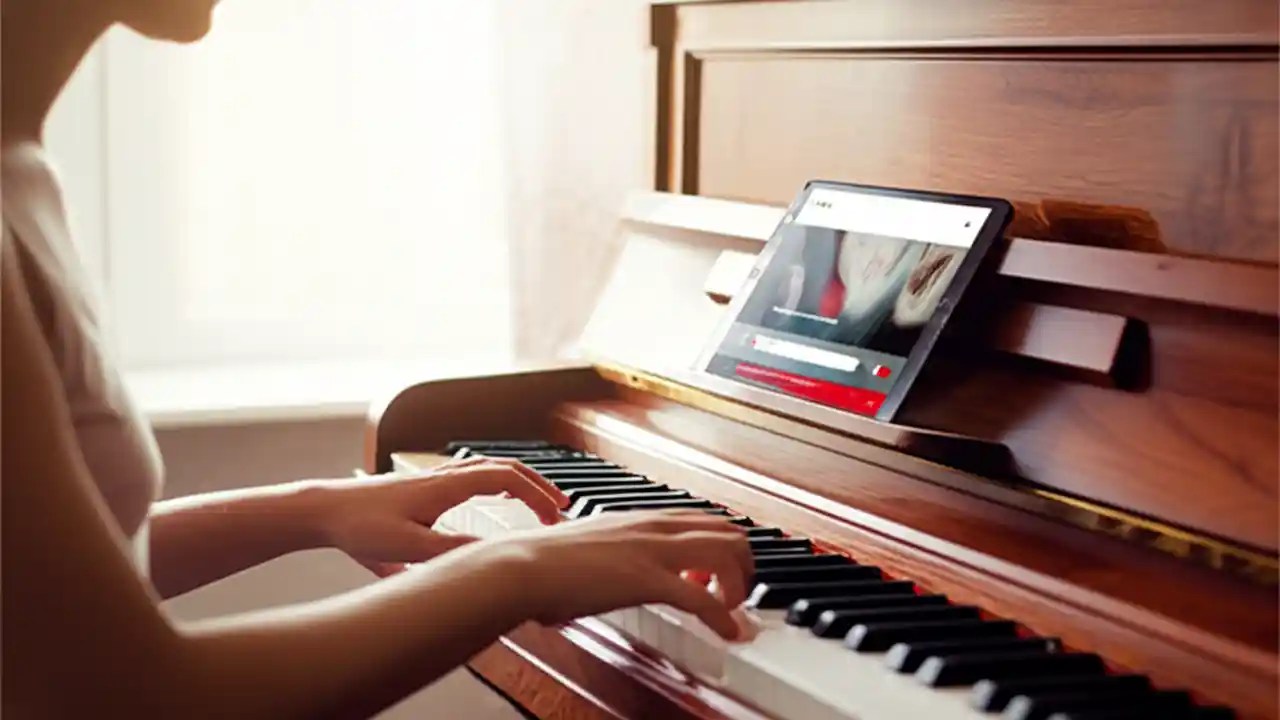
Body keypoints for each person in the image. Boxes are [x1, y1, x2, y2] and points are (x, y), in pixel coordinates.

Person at [0, 0, 754, 717]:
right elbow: (131, 699)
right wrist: (518, 571)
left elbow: (43, 595)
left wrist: (315, 510)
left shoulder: (21, 157)